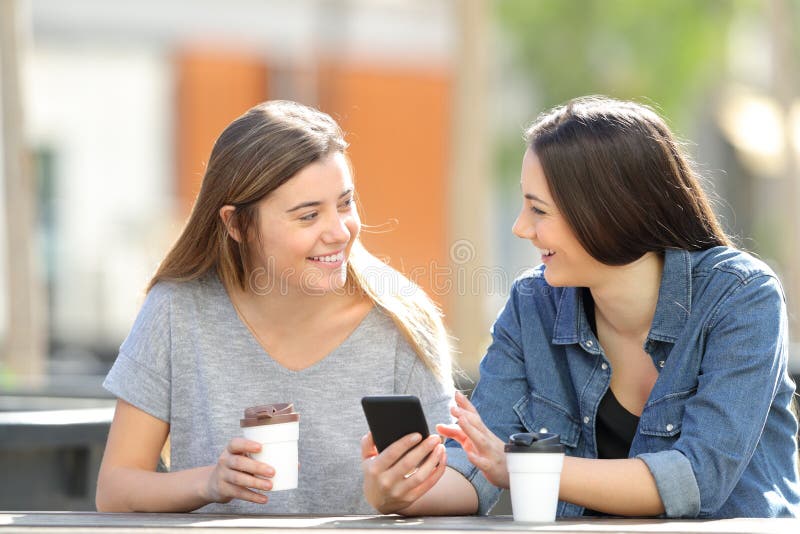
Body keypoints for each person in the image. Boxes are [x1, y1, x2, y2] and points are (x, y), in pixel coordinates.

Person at [361, 96, 800, 518]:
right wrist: (404, 491)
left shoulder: (740, 296)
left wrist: (526, 467)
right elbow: (480, 466)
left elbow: (698, 478)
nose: (520, 228)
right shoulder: (533, 304)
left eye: (539, 210)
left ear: (609, 212)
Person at [95, 100, 454, 514]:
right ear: (236, 225)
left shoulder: (401, 319)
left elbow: (454, 477)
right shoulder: (176, 312)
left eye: (344, 203)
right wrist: (209, 482)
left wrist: (398, 493)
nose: (338, 232)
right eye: (308, 216)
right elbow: (115, 489)